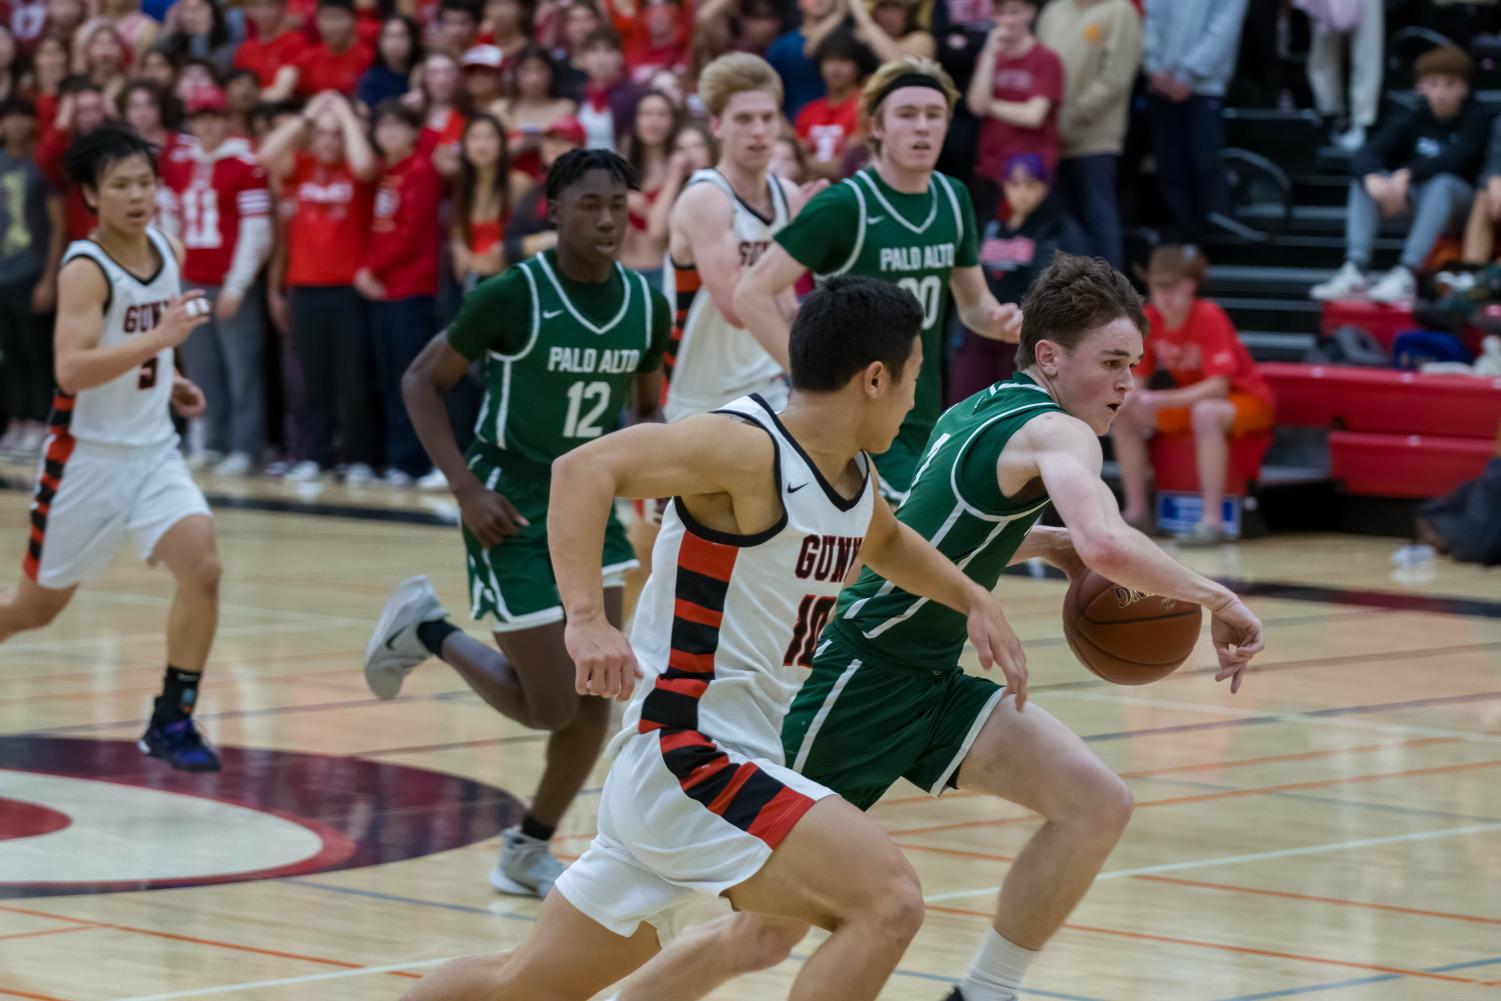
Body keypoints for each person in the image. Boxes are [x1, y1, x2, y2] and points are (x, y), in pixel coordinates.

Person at [599, 254, 1265, 1001]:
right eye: (1111, 363)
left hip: (930, 676)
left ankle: (985, 991)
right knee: (765, 928)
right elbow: (1108, 541)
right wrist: (1216, 597)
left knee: (1093, 801)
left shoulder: (975, 409)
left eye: (1132, 365)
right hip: (858, 677)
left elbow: (933, 533)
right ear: (1048, 355)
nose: (1125, 383)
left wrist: (1048, 544)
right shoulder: (1059, 432)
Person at [396, 271, 1027, 1001]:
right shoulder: (745, 445)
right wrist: (587, 620)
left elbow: (883, 541)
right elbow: (583, 469)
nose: (920, 396)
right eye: (918, 377)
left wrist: (971, 595)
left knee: (518, 984)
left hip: (707, 767)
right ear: (875, 377)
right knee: (887, 899)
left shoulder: (850, 473)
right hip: (689, 755)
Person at [364, 149, 670, 898]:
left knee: (595, 688)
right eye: (589, 204)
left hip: (591, 504)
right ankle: (426, 630)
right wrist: (466, 488)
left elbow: (646, 410)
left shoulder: (646, 303)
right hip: (512, 501)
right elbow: (420, 380)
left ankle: (527, 848)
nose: (606, 219)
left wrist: (662, 479)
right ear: (553, 212)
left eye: (617, 206)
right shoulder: (511, 294)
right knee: (551, 703)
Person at [0, 125, 225, 772]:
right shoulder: (83, 268)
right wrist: (158, 343)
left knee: (203, 568)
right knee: (32, 610)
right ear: (92, 196)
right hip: (85, 460)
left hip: (153, 450)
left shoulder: (166, 246)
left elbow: (145, 346)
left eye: (145, 182)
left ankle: (172, 717)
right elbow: (71, 371)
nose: (136, 195)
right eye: (120, 185)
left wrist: (171, 379)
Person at [735, 56, 1022, 503]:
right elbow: (750, 293)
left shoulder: (953, 197)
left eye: (934, 115)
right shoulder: (844, 205)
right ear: (877, 127)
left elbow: (973, 306)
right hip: (857, 418)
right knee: (928, 535)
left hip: (921, 411)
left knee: (885, 560)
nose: (922, 127)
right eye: (907, 115)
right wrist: (813, 381)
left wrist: (1000, 320)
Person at [664, 53, 801, 425]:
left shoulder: (787, 195)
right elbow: (737, 307)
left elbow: (788, 305)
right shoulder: (706, 199)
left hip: (767, 385)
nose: (758, 130)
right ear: (717, 125)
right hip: (698, 393)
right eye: (744, 119)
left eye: (767, 118)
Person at [1110, 245, 1274, 545]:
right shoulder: (1151, 319)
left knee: (1207, 413)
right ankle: (1136, 514)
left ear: (1190, 286)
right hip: (1197, 399)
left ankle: (1212, 522)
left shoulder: (1209, 315)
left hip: (1248, 400)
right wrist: (1126, 399)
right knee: (1125, 412)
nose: (1164, 298)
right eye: (1158, 289)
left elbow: (1218, 386)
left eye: (1171, 289)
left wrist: (1159, 401)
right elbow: (1139, 383)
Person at [258, 90, 381, 483]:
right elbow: (264, 155)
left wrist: (343, 111)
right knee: (313, 379)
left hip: (347, 290)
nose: (328, 141)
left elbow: (363, 164)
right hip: (304, 288)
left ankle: (359, 457)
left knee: (353, 378)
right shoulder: (300, 166)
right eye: (322, 135)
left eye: (335, 135)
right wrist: (310, 113)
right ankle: (317, 455)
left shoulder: (357, 170)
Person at [1311, 45, 1490, 306]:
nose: (1441, 92)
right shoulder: (1412, 118)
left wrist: (1408, 173)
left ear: (1464, 88)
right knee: (1367, 180)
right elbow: (1366, 154)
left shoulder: (1479, 119)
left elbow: (1458, 158)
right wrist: (1374, 178)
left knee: (1442, 183)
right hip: (1417, 205)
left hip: (1463, 210)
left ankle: (1408, 271)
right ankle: (1356, 268)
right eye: (1434, 84)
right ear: (1421, 87)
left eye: (1450, 84)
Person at [159, 84, 273, 476]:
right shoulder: (179, 163)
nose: (206, 126)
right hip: (190, 279)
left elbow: (256, 232)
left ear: (226, 120)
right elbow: (170, 221)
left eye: (213, 117)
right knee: (201, 367)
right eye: (199, 118)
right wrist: (171, 276)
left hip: (227, 283)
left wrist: (237, 285)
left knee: (242, 368)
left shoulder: (245, 165)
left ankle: (245, 446)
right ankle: (210, 439)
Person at [952, 151, 1087, 403]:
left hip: (1026, 332)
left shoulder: (1060, 228)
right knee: (965, 404)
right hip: (982, 327)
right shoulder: (991, 224)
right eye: (1015, 184)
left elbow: (1064, 287)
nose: (1022, 192)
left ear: (1046, 186)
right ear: (1004, 186)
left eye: (1030, 184)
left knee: (1014, 410)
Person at [357, 99, 444, 486]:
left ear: (412, 131)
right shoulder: (389, 171)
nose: (389, 133)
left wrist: (370, 269)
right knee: (391, 376)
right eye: (383, 127)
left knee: (412, 378)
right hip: (387, 290)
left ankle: (415, 461)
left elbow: (409, 235)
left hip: (412, 288)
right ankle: (398, 458)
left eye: (397, 126)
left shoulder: (420, 170)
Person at [1035, 0, 1141, 269]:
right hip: (1051, 138)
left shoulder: (1121, 11)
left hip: (1096, 138)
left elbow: (1116, 78)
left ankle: (1110, 298)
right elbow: (1038, 65)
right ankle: (1072, 297)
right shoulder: (1053, 11)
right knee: (1062, 224)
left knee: (1098, 219)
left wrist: (1070, 117)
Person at [1142, 0, 1249, 245]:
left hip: (1205, 87)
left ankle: (1215, 244)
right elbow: (1149, 20)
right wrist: (1154, 67)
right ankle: (1183, 240)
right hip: (1161, 85)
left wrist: (1190, 73)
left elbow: (1223, 27)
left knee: (1205, 163)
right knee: (1170, 167)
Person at [0, 96, 64, 460]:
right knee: (11, 355)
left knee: (37, 354)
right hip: (3, 273)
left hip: (31, 273)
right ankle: (18, 421)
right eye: (10, 117)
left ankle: (42, 422)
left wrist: (49, 278)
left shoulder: (41, 166)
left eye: (24, 117)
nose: (17, 125)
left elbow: (58, 226)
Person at [965, 0, 1063, 226]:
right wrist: (989, 54)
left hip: (1030, 174)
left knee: (1027, 245)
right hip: (990, 169)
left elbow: (1033, 115)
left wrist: (989, 104)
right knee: (990, 245)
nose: (1007, 21)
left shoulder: (1046, 58)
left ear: (1030, 12)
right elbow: (975, 106)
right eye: (1000, 13)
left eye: (1014, 12)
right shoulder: (989, 56)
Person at [794, 31, 868, 181]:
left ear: (858, 66)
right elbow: (794, 163)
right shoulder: (808, 111)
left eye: (844, 60)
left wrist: (807, 161)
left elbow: (848, 167)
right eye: (829, 60)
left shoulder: (865, 109)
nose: (836, 68)